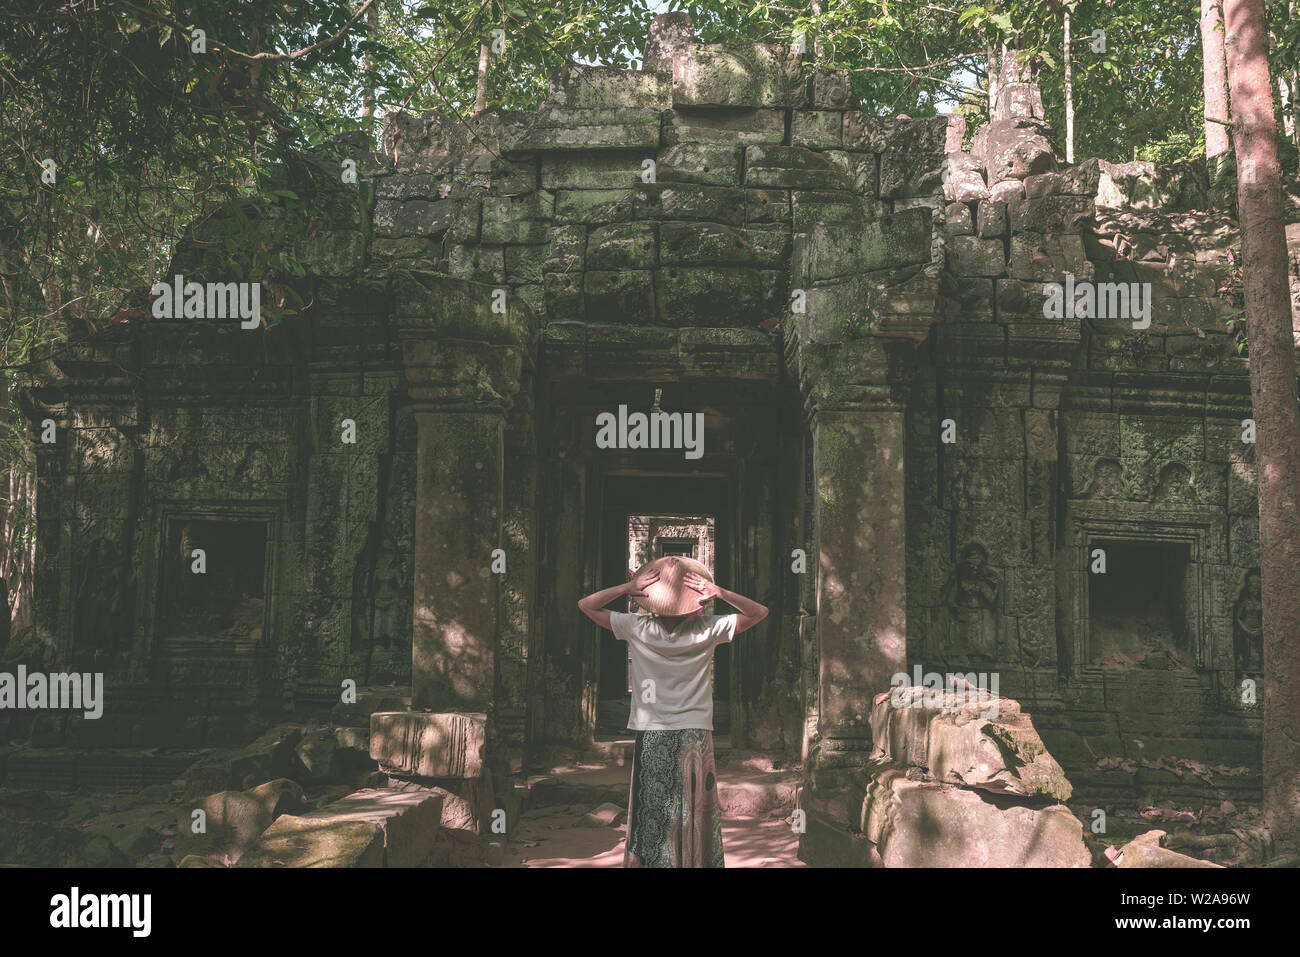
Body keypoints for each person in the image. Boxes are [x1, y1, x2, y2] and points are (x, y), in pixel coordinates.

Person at [578, 555, 768, 868]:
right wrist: (719, 592)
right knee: (694, 808)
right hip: (696, 729)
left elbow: (586, 605)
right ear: (695, 602)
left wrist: (628, 586)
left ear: (650, 601)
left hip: (652, 729)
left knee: (653, 807)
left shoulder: (636, 626)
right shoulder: (709, 627)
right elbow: (759, 612)